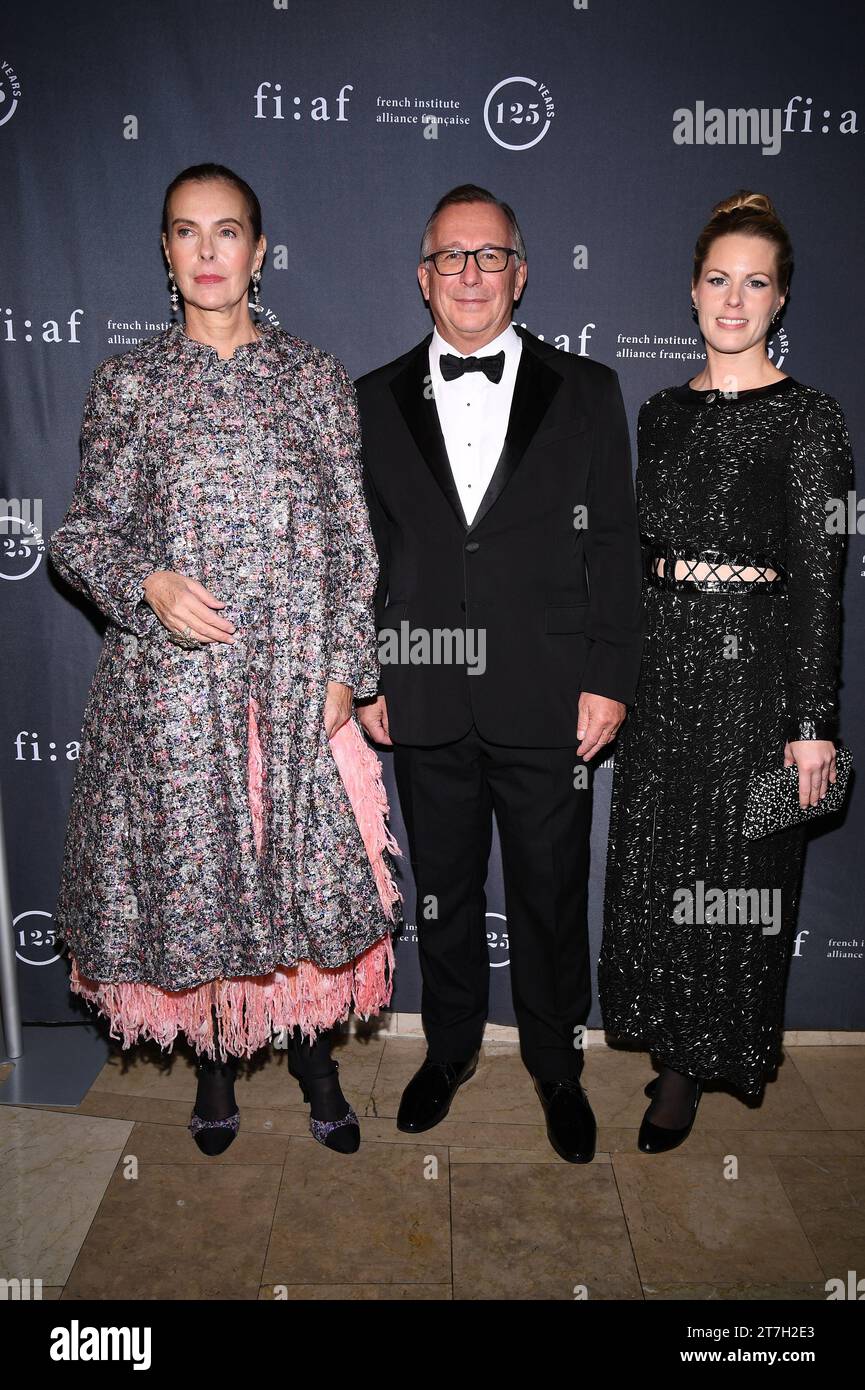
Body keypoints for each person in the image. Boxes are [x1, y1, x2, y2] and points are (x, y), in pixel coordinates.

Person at [47, 163, 401, 1157]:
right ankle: (212, 1071)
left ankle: (316, 1061)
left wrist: (344, 671)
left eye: (227, 231)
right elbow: (80, 538)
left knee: (299, 885)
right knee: (198, 892)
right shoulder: (130, 382)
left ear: (257, 249)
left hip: (295, 691)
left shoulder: (313, 376)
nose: (207, 251)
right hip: (174, 698)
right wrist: (150, 584)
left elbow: (352, 544)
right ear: (166, 250)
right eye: (186, 232)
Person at [355, 184, 644, 1163]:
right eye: (450, 257)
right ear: (422, 279)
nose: (469, 274)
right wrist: (368, 675)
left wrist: (608, 676)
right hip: (424, 693)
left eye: (489, 256)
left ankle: (558, 1069)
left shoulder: (590, 390)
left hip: (549, 699)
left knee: (550, 897)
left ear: (519, 275)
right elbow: (365, 556)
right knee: (440, 892)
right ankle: (446, 1051)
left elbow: (613, 545)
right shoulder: (372, 399)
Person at [599, 191, 853, 1152]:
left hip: (757, 685)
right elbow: (630, 561)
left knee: (740, 872)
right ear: (692, 291)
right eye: (717, 279)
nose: (733, 299)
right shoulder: (659, 413)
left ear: (780, 299)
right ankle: (669, 1054)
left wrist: (811, 721)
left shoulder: (812, 420)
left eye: (755, 282)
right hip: (663, 671)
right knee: (664, 869)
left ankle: (705, 1061)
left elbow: (820, 587)